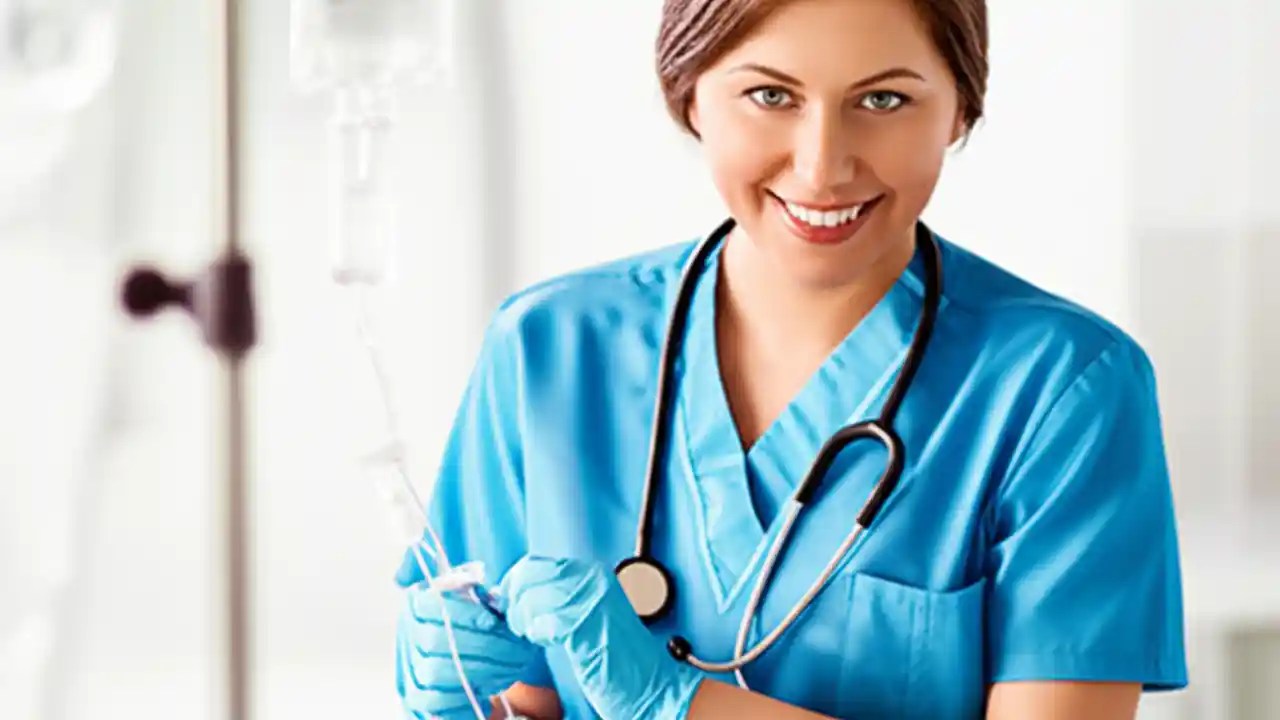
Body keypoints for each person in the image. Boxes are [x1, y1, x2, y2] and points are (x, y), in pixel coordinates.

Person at [393, 0, 1188, 717]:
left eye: (883, 100)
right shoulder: (549, 351)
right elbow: (524, 701)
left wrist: (675, 706)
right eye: (771, 96)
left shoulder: (1064, 388)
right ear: (691, 95)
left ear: (958, 110)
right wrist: (467, 696)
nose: (821, 165)